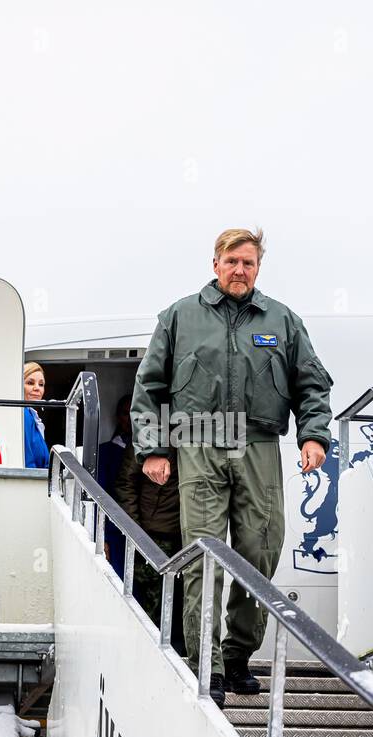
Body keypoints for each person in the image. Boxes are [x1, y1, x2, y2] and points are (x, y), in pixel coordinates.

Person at [129, 228, 333, 707]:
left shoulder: (282, 320)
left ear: (258, 267)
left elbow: (312, 383)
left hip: (259, 443)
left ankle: (238, 654)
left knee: (260, 550)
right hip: (197, 442)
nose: (240, 270)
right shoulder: (179, 316)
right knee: (203, 556)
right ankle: (208, 666)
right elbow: (149, 387)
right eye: (232, 261)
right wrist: (153, 449)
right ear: (215, 263)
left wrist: (313, 434)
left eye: (249, 263)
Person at [112, 424, 185, 655]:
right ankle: (146, 656)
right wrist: (137, 532)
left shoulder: (198, 432)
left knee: (182, 605)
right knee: (151, 608)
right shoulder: (149, 433)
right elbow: (125, 484)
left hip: (188, 537)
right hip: (152, 537)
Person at [97, 394, 132, 579]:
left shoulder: (154, 455)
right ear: (119, 417)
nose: (131, 419)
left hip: (149, 532)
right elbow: (99, 495)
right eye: (126, 414)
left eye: (135, 413)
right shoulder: (105, 452)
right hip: (114, 531)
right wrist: (102, 537)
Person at [22, 361, 51, 469]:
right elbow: (27, 462)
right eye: (30, 383)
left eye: (41, 384)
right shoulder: (23, 414)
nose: (37, 388)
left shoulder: (31, 416)